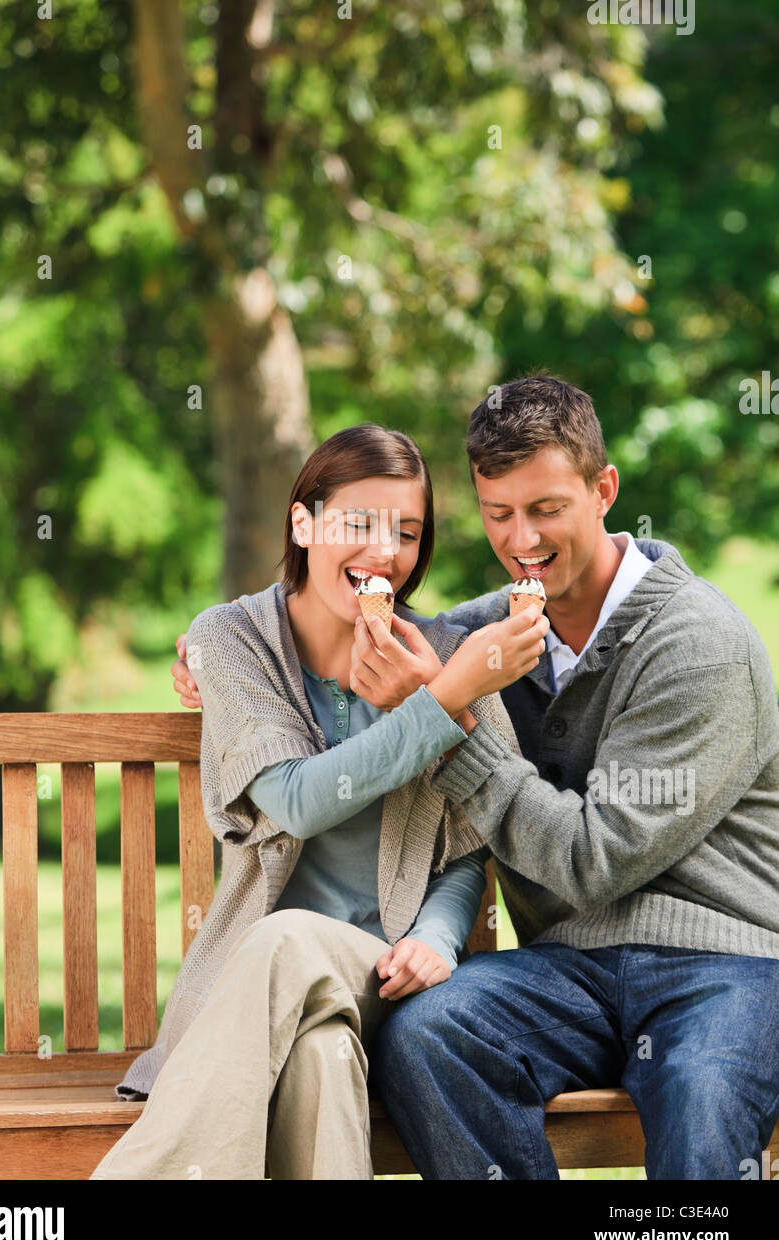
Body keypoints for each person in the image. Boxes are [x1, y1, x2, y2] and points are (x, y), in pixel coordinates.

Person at [171, 373, 779, 1181]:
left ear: (605, 491)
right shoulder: (484, 635)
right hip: (568, 969)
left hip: (721, 965)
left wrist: (449, 720)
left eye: (546, 509)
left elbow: (591, 862)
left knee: (699, 1090)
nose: (521, 538)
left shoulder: (698, 644)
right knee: (428, 1035)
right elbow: (341, 633)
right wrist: (210, 653)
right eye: (499, 514)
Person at [90, 422, 547, 1180]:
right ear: (302, 524)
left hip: (385, 980)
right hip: (267, 1000)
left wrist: (436, 936)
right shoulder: (232, 641)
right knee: (322, 1057)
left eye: (406, 531)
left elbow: (471, 846)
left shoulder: (439, 649)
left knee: (285, 942)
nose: (385, 553)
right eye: (358, 523)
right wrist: (444, 700)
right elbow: (297, 802)